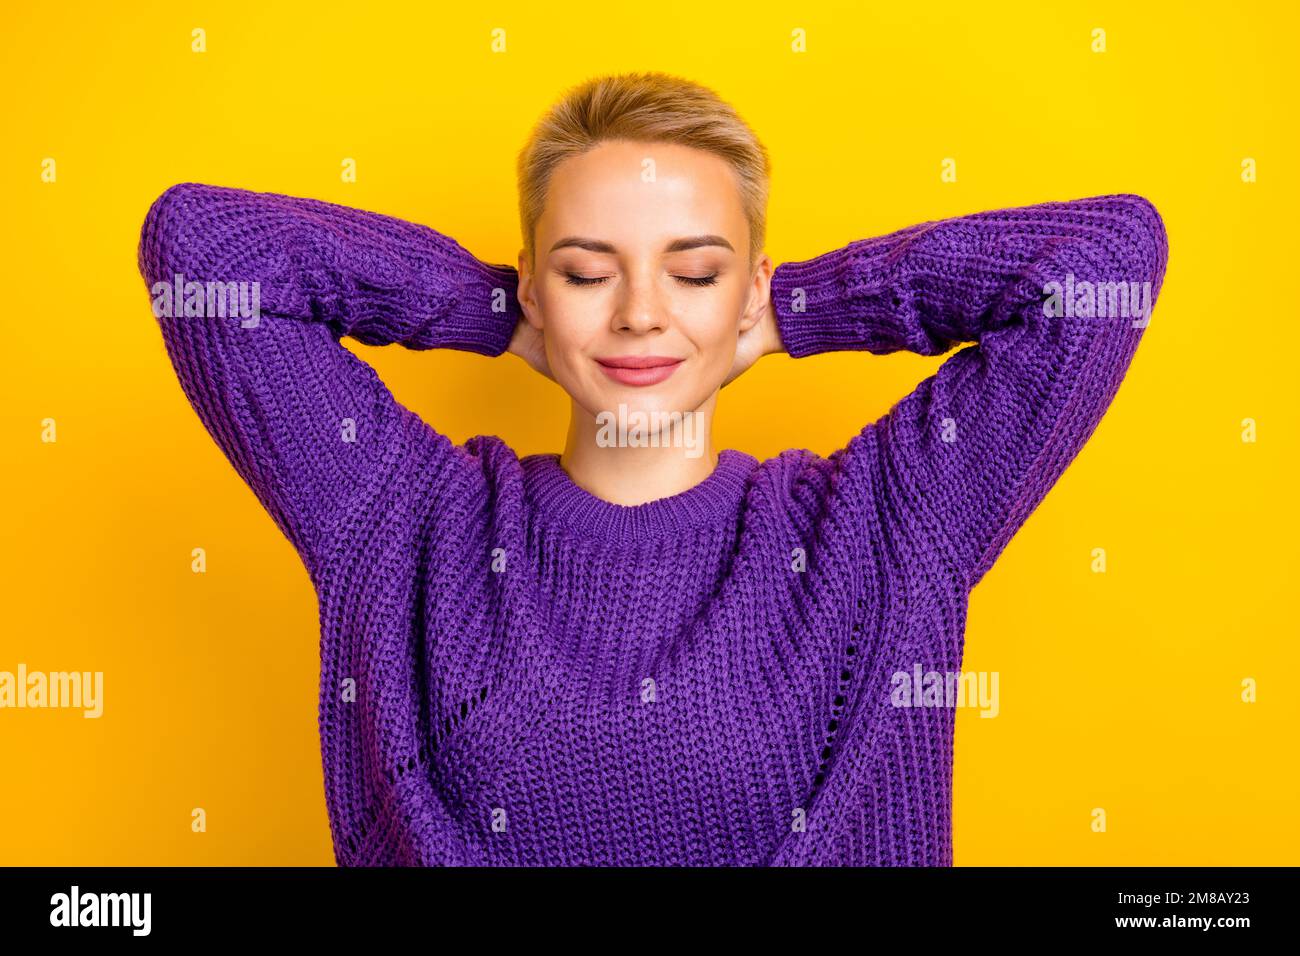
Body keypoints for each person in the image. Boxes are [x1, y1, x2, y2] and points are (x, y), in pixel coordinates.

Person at [136, 70, 1168, 865]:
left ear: (749, 288)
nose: (639, 311)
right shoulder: (405, 517)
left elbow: (1103, 260)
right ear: (536, 286)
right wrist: (488, 311)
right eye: (588, 270)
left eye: (694, 270)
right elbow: (206, 252)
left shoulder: (884, 524)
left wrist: (803, 308)